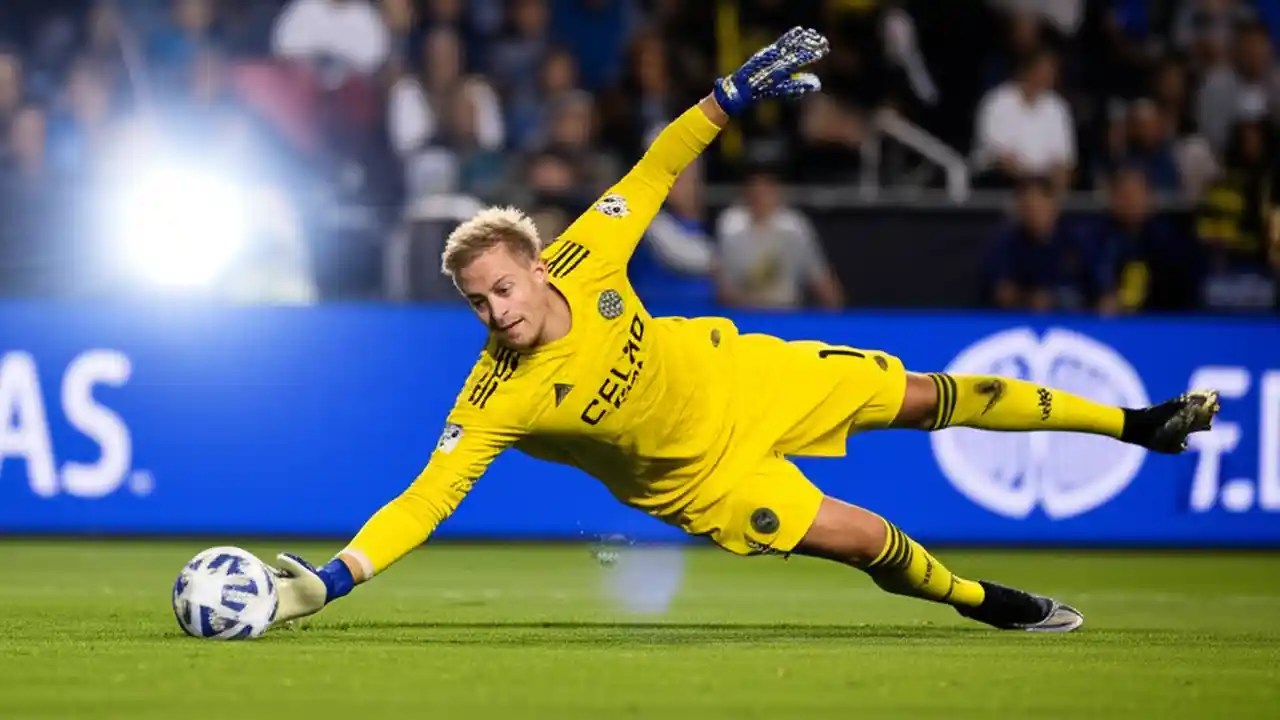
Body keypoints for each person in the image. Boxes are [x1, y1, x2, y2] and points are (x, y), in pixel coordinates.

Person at [266, 28, 1220, 634]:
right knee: (861, 539)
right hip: (706, 482)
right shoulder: (495, 395)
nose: (498, 313)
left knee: (931, 395)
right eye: (478, 305)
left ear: (534, 261)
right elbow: (425, 501)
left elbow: (653, 166)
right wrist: (334, 580)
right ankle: (988, 605)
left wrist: (726, 96)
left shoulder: (586, 257)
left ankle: (1137, 424)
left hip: (744, 375)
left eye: (503, 288)